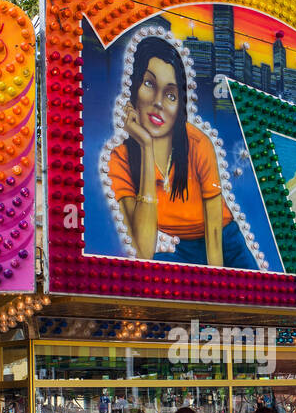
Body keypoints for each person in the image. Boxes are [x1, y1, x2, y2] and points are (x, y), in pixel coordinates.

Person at [107, 32, 259, 269]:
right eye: (149, 83)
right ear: (134, 87)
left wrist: (216, 291)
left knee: (256, 301)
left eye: (170, 95)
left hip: (225, 243)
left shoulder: (198, 144)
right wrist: (146, 147)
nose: (158, 102)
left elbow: (214, 231)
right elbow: (144, 251)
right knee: (149, 271)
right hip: (186, 251)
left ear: (179, 105)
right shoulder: (120, 160)